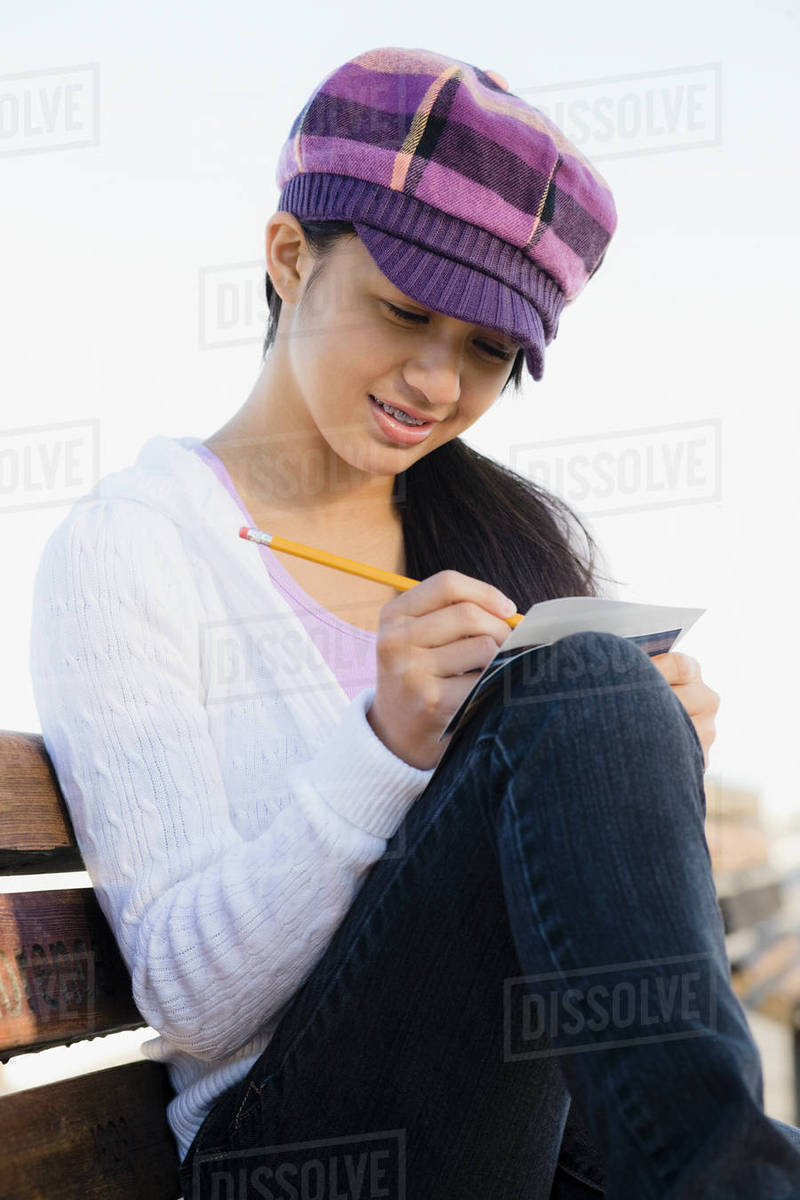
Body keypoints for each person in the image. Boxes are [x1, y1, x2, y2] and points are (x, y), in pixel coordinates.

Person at [28, 45, 800, 1199]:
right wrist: (383, 746)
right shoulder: (133, 545)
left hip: (528, 1145)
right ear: (290, 255)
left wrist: (639, 755)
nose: (437, 383)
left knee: (593, 684)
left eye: (488, 351)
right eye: (402, 313)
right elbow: (191, 999)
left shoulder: (511, 541)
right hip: (287, 1153)